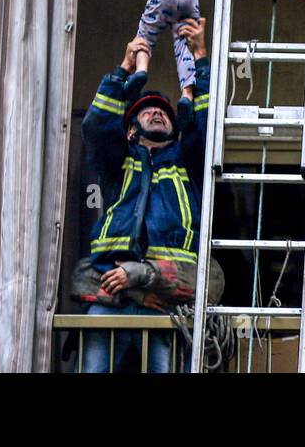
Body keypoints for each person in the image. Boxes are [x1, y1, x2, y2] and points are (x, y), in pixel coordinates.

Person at [78, 24, 210, 373]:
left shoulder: (187, 163)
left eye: (164, 112)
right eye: (147, 110)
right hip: (112, 298)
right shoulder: (117, 163)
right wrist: (125, 69)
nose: (157, 113)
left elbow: (207, 126)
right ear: (132, 128)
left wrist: (200, 59)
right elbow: (95, 127)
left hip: (166, 302)